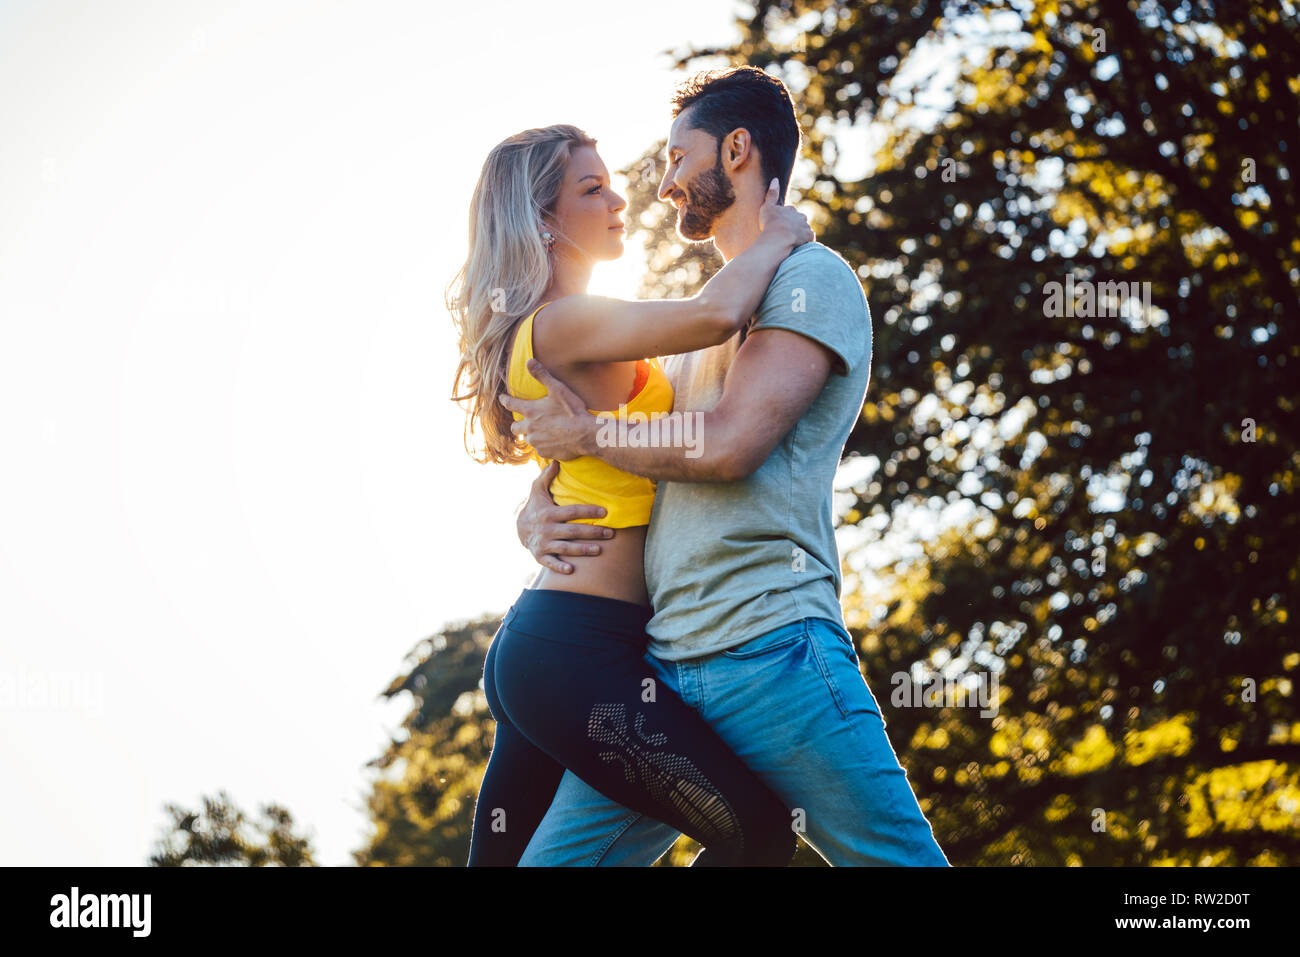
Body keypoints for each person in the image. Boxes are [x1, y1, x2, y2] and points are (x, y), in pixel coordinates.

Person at [499, 67, 951, 866]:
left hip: (770, 649)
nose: (663, 184)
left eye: (677, 158)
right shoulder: (715, 308)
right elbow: (646, 450)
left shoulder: (812, 281)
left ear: (737, 150)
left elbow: (732, 442)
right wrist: (539, 502)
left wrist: (588, 437)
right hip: (663, 667)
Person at [449, 121, 816, 865]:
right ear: (543, 218)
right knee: (758, 833)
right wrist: (780, 237)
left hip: (561, 641)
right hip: (576, 651)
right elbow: (716, 314)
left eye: (610, 181)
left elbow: (576, 450)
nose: (618, 198)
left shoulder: (561, 325)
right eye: (591, 189)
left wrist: (534, 504)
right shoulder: (561, 321)